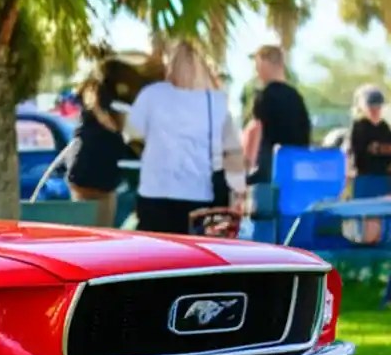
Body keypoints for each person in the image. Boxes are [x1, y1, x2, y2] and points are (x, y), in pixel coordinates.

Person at [124, 41, 246, 234]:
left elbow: (133, 132)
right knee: (191, 249)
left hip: (154, 191)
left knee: (155, 248)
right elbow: (232, 151)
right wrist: (239, 189)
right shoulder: (215, 101)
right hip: (198, 194)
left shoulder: (151, 94)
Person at [66, 63, 136, 228]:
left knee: (84, 227)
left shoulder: (90, 95)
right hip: (100, 170)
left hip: (83, 166)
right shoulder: (109, 99)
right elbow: (116, 127)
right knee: (102, 227)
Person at [247, 44, 311, 183]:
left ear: (265, 63)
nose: (256, 70)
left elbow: (256, 132)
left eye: (257, 64)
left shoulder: (264, 96)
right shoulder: (296, 97)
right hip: (294, 170)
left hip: (269, 172)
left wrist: (247, 166)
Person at [347, 84, 391, 195]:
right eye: (371, 108)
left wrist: (379, 148)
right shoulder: (360, 126)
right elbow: (359, 151)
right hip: (365, 177)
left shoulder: (384, 127)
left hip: (384, 177)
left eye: (378, 107)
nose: (375, 111)